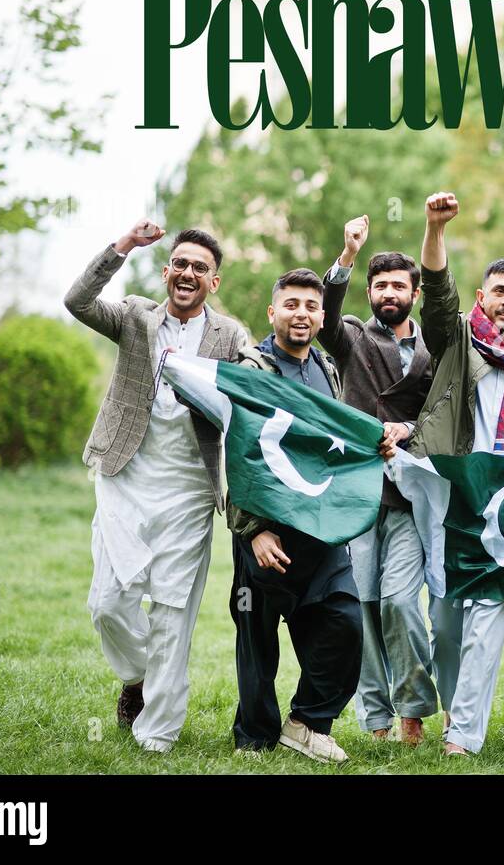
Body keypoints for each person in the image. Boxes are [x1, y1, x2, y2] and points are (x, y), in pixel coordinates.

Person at [64, 220, 247, 753]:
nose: (189, 273)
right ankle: (139, 679)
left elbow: (258, 380)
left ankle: (157, 734)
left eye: (201, 268)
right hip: (124, 474)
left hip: (191, 484)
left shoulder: (229, 335)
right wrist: (122, 245)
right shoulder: (136, 317)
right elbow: (78, 301)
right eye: (181, 263)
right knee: (107, 603)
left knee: (172, 609)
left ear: (214, 281)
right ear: (168, 271)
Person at [407, 191, 504, 756]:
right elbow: (438, 296)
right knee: (445, 624)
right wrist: (435, 228)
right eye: (499, 292)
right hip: (453, 499)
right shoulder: (457, 342)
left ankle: (463, 736)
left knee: (486, 624)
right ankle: (453, 712)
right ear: (482, 297)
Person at [227, 268, 364, 763]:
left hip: (320, 530)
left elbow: (335, 441)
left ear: (322, 315)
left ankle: (308, 723)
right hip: (265, 529)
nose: (301, 313)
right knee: (258, 640)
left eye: (311, 305)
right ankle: (255, 736)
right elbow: (239, 451)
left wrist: (378, 444)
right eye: (291, 304)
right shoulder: (252, 368)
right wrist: (254, 531)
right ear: (272, 312)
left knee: (346, 622)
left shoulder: (326, 368)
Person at [319, 216, 437, 746]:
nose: (390, 293)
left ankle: (413, 703)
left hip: (410, 494)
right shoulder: (350, 339)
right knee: (364, 603)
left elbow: (440, 413)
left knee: (400, 601)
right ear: (370, 292)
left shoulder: (436, 349)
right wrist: (347, 254)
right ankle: (376, 718)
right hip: (358, 491)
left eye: (399, 285)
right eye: (380, 285)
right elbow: (324, 312)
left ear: (413, 292)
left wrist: (408, 428)